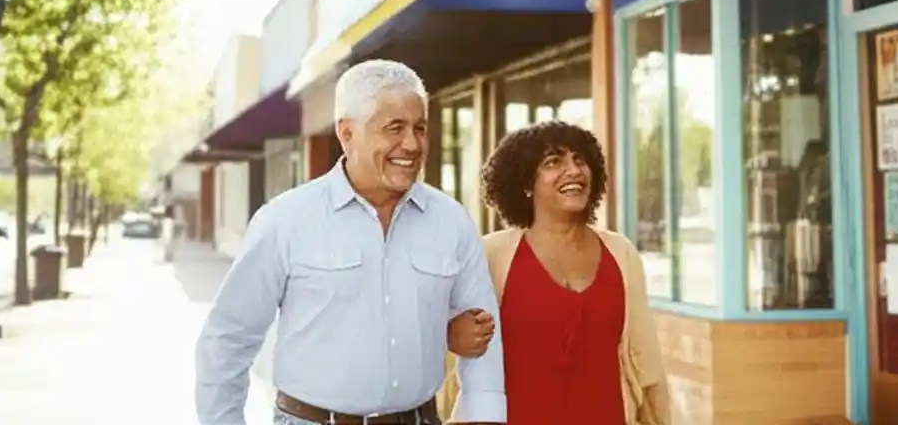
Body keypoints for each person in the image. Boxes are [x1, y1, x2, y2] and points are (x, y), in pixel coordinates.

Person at [195, 60, 506, 425]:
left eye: (420, 128)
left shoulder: (451, 222)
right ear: (347, 134)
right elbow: (227, 340)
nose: (412, 144)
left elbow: (483, 338)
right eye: (395, 128)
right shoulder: (285, 220)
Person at [445, 121, 670, 425]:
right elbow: (451, 361)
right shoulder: (490, 256)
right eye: (554, 162)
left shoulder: (621, 254)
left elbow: (648, 366)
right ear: (525, 182)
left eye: (580, 160)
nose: (574, 170)